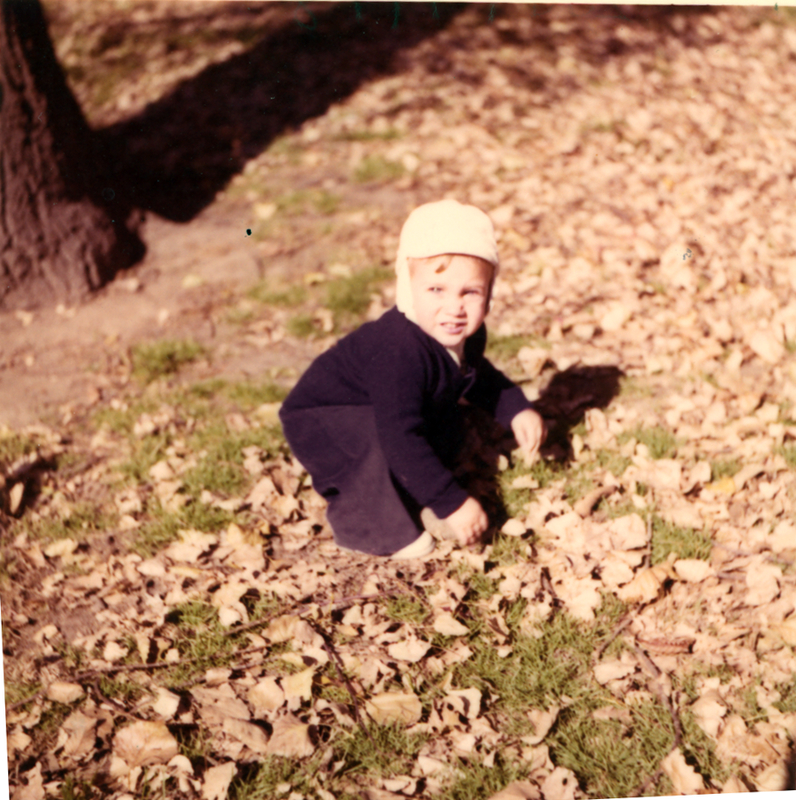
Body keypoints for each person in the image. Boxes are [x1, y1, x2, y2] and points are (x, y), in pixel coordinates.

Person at [278, 199, 546, 558]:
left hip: (384, 407)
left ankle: (413, 496)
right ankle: (367, 527)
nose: (454, 308)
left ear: (489, 293)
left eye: (470, 292)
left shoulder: (464, 333)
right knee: (379, 442)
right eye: (436, 290)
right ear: (408, 287)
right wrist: (452, 502)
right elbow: (400, 436)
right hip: (325, 419)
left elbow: (478, 375)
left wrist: (516, 408)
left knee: (442, 425)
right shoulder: (398, 349)